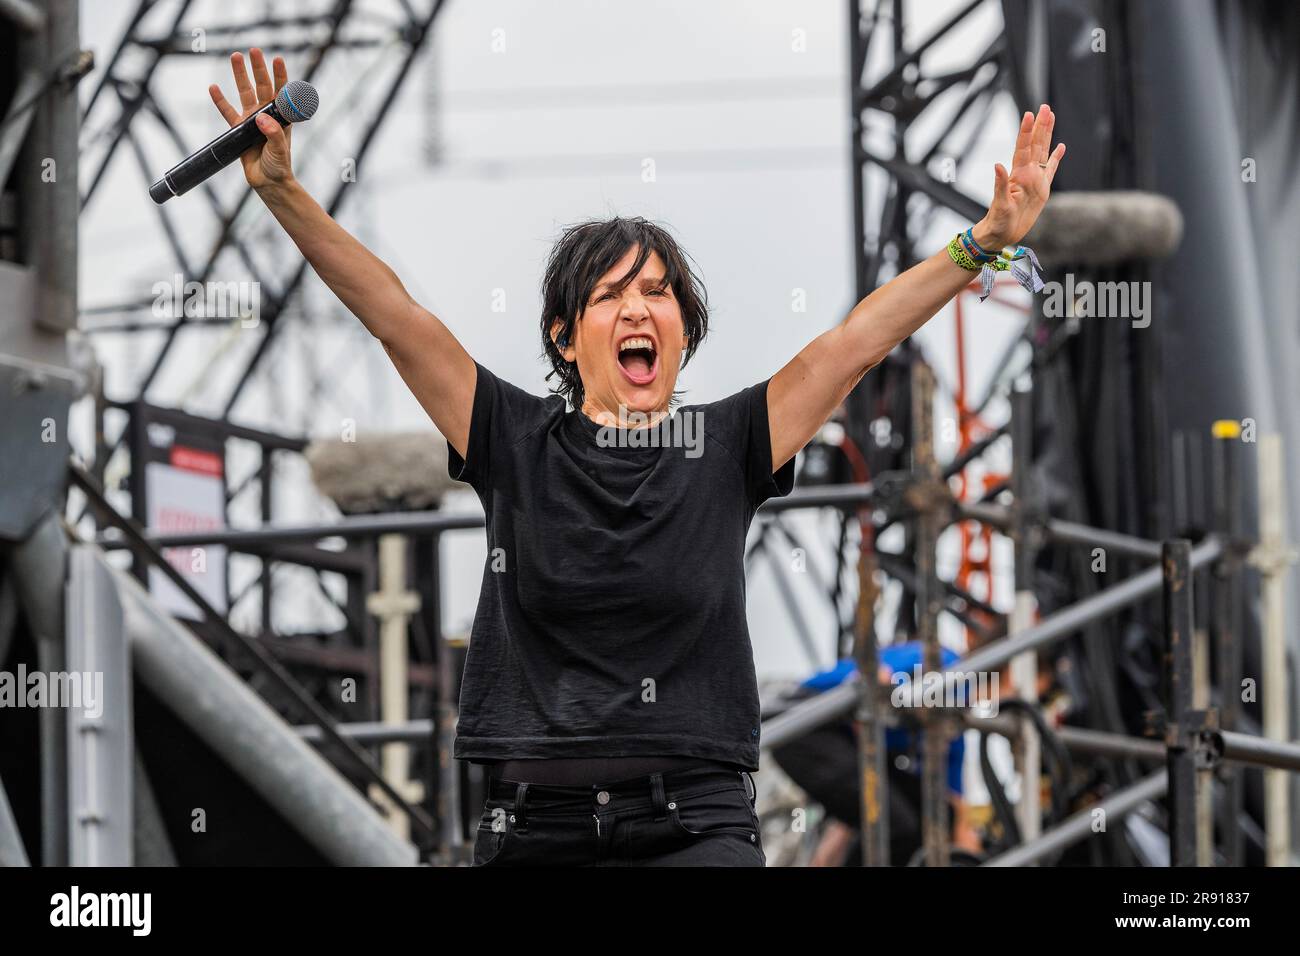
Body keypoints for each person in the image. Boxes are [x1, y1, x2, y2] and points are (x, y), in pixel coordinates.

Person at [208, 47, 1065, 866]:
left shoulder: (730, 444)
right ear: (563, 333)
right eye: (611, 294)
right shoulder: (510, 437)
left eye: (657, 293)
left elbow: (854, 343)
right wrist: (284, 192)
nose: (638, 310)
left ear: (684, 332)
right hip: (531, 826)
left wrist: (982, 241)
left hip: (693, 823)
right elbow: (393, 314)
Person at [770, 642, 983, 866]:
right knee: (895, 825)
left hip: (850, 745)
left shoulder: (953, 728)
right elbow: (874, 678)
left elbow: (956, 807)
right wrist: (888, 689)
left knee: (934, 814)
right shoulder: (947, 665)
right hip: (808, 722)